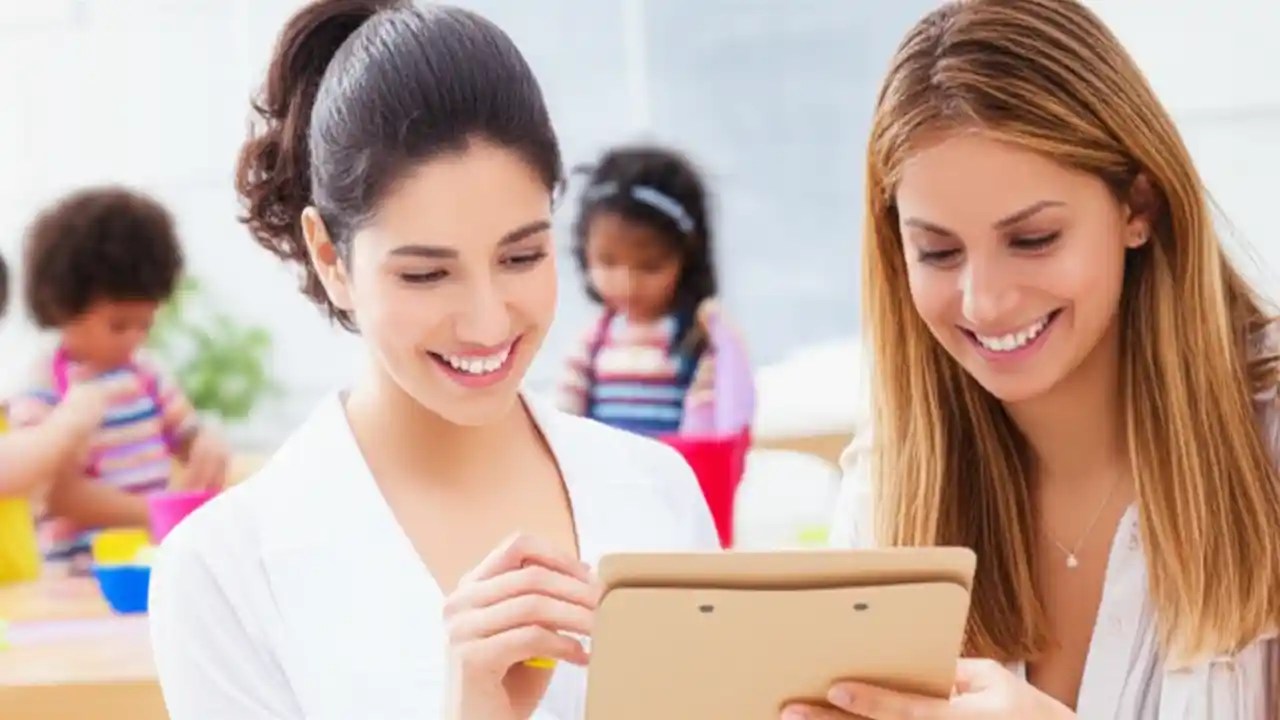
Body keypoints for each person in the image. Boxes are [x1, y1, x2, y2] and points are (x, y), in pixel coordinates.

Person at [147, 2, 718, 719]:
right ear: (331, 258)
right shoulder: (224, 570)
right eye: (425, 274)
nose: (485, 322)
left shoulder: (657, 493)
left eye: (521, 256)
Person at [785, 1, 1280, 718]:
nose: (983, 303)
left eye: (1033, 239)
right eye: (939, 252)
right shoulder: (888, 487)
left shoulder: (1263, 440)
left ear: (1138, 206)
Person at [5, 187, 228, 568]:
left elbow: (188, 434)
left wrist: (205, 445)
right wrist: (155, 512)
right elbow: (56, 495)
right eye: (119, 325)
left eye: (145, 323)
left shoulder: (147, 377)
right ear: (62, 307)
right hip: (77, 570)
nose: (134, 338)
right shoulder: (46, 389)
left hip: (143, 559)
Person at [556, 145, 721, 436]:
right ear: (584, 253)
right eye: (607, 262)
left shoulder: (695, 339)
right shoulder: (593, 341)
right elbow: (567, 413)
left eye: (649, 266)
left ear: (686, 259)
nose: (627, 283)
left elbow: (707, 420)